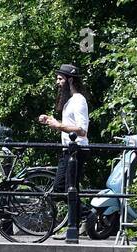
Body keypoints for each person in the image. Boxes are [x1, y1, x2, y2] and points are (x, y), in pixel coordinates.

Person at [38, 64, 90, 217]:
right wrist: (50, 120)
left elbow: (82, 130)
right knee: (61, 189)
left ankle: (86, 217)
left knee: (69, 189)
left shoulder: (79, 100)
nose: (57, 82)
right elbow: (70, 125)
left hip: (77, 150)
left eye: (60, 79)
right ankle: (81, 219)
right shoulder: (69, 101)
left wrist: (58, 125)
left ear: (70, 80)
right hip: (67, 150)